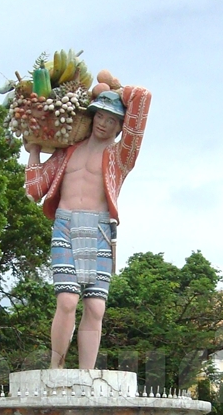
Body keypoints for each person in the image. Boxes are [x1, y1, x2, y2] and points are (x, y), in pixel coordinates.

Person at [25, 76, 152, 369]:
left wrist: (114, 88)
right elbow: (34, 189)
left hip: (99, 230)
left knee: (95, 306)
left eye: (112, 119)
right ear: (91, 115)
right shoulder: (67, 152)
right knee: (67, 300)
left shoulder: (120, 156)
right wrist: (33, 151)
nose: (103, 124)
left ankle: (87, 374)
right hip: (65, 225)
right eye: (100, 116)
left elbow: (143, 97)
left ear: (121, 127)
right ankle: (56, 367)